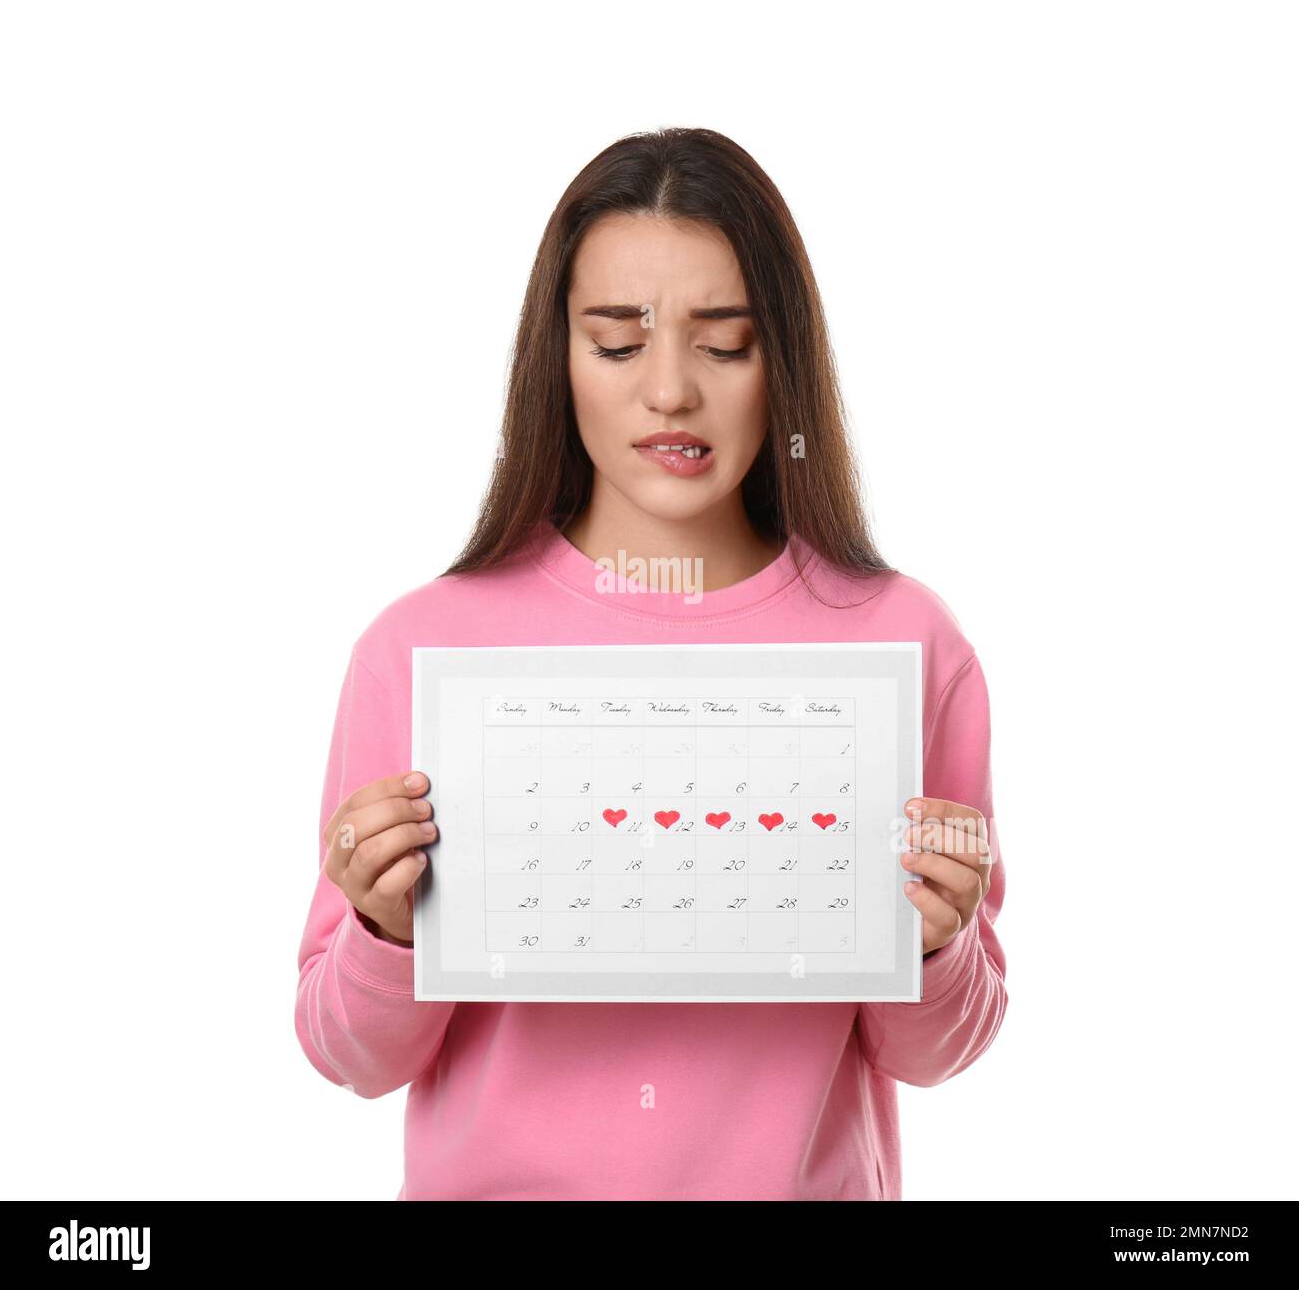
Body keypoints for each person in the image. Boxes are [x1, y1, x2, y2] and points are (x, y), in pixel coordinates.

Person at [294, 126, 1008, 1200]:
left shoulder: (904, 643)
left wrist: (937, 945)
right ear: (557, 361)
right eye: (617, 345)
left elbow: (937, 1053)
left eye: (725, 344)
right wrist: (385, 931)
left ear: (783, 362)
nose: (670, 391)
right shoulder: (418, 649)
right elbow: (346, 1054)